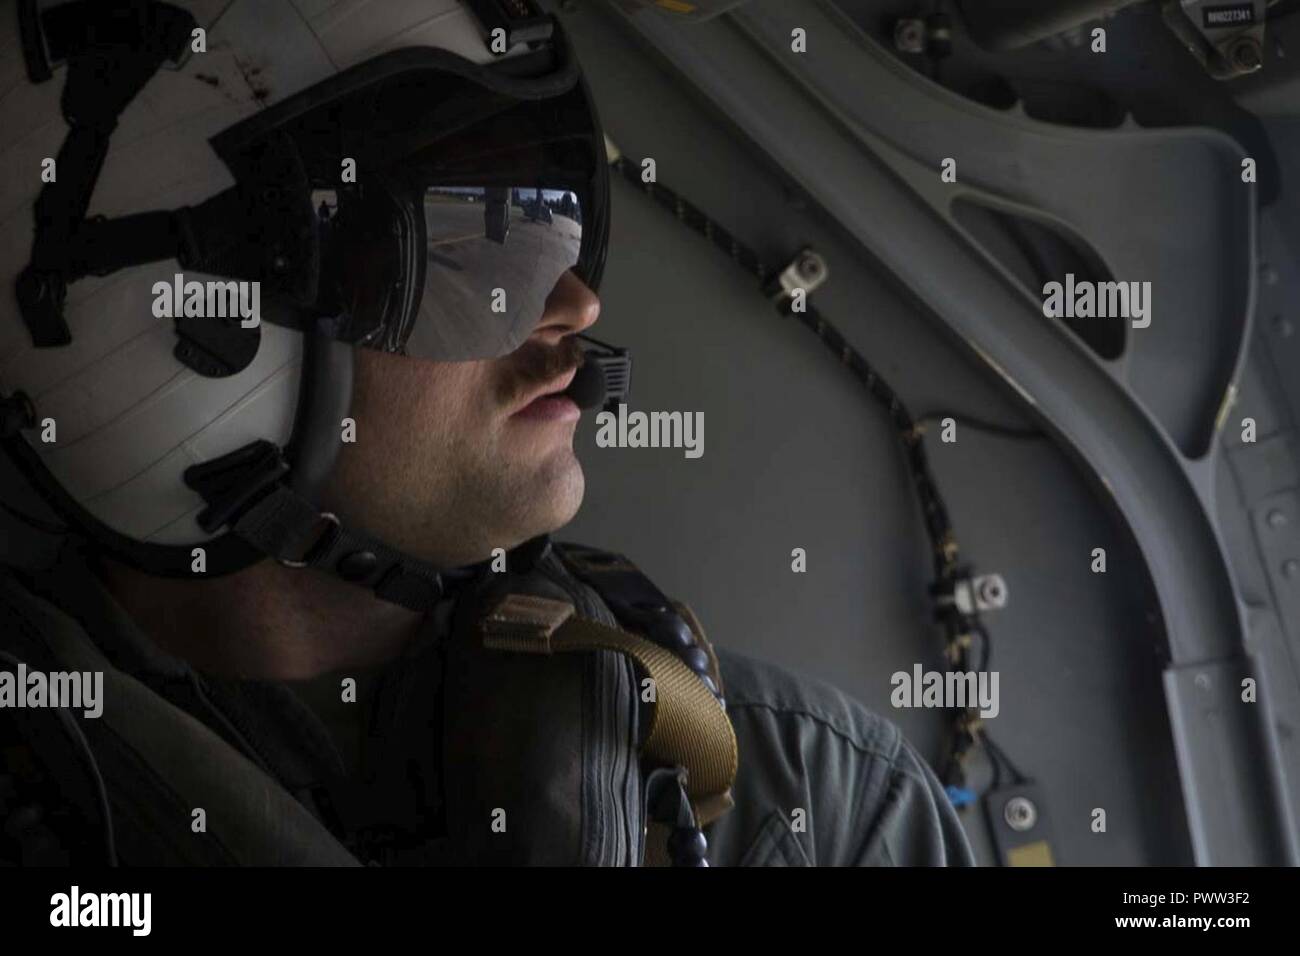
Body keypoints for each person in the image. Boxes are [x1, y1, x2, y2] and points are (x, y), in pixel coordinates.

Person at [0, 0, 973, 867]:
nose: (576, 305)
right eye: (460, 249)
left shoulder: (822, 805)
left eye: (553, 218)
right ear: (176, 329)